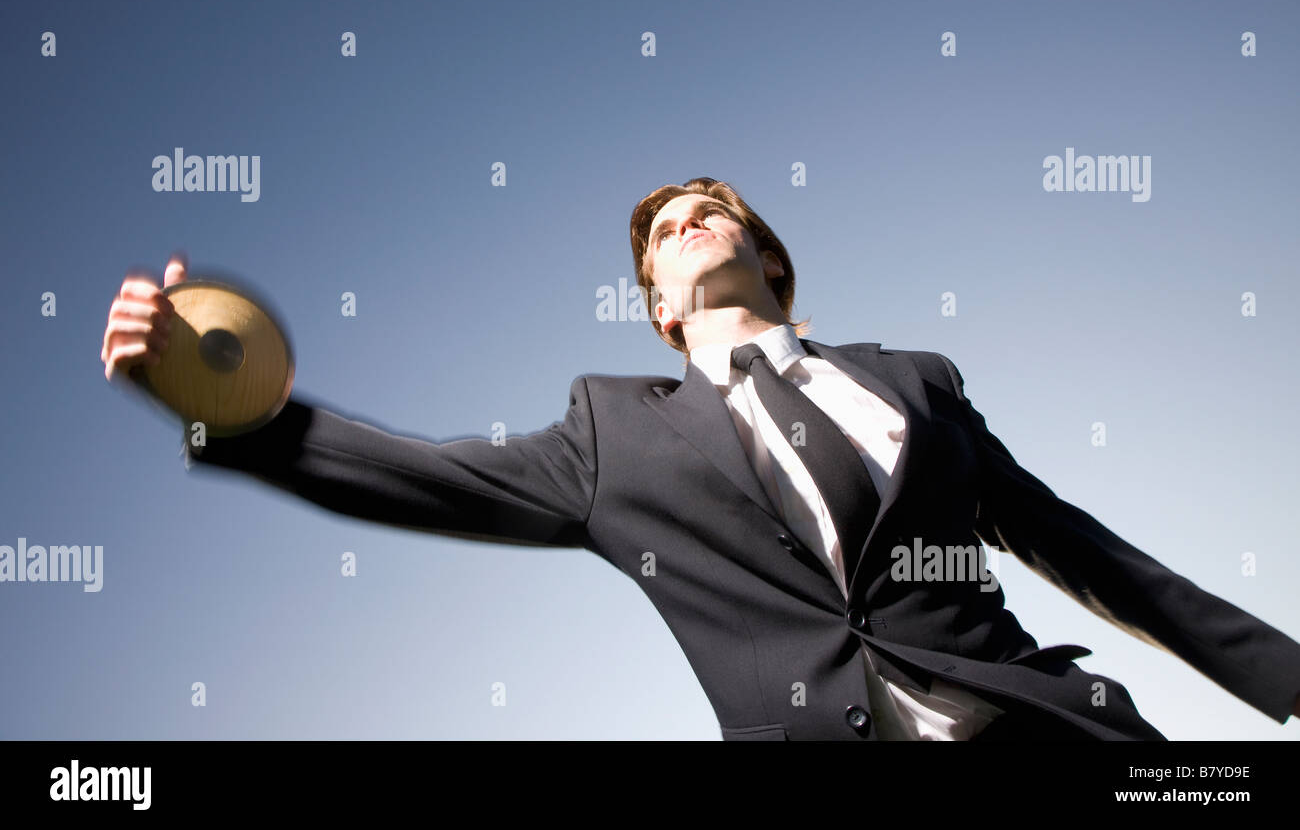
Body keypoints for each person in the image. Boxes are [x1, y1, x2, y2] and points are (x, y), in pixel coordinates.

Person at [101, 176, 1300, 740]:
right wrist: (233, 410)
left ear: (769, 263)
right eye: (664, 233)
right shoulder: (610, 435)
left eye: (710, 208)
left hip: (1052, 734)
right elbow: (429, 472)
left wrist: (1287, 682)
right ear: (658, 309)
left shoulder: (917, 379)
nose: (688, 223)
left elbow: (1090, 553)